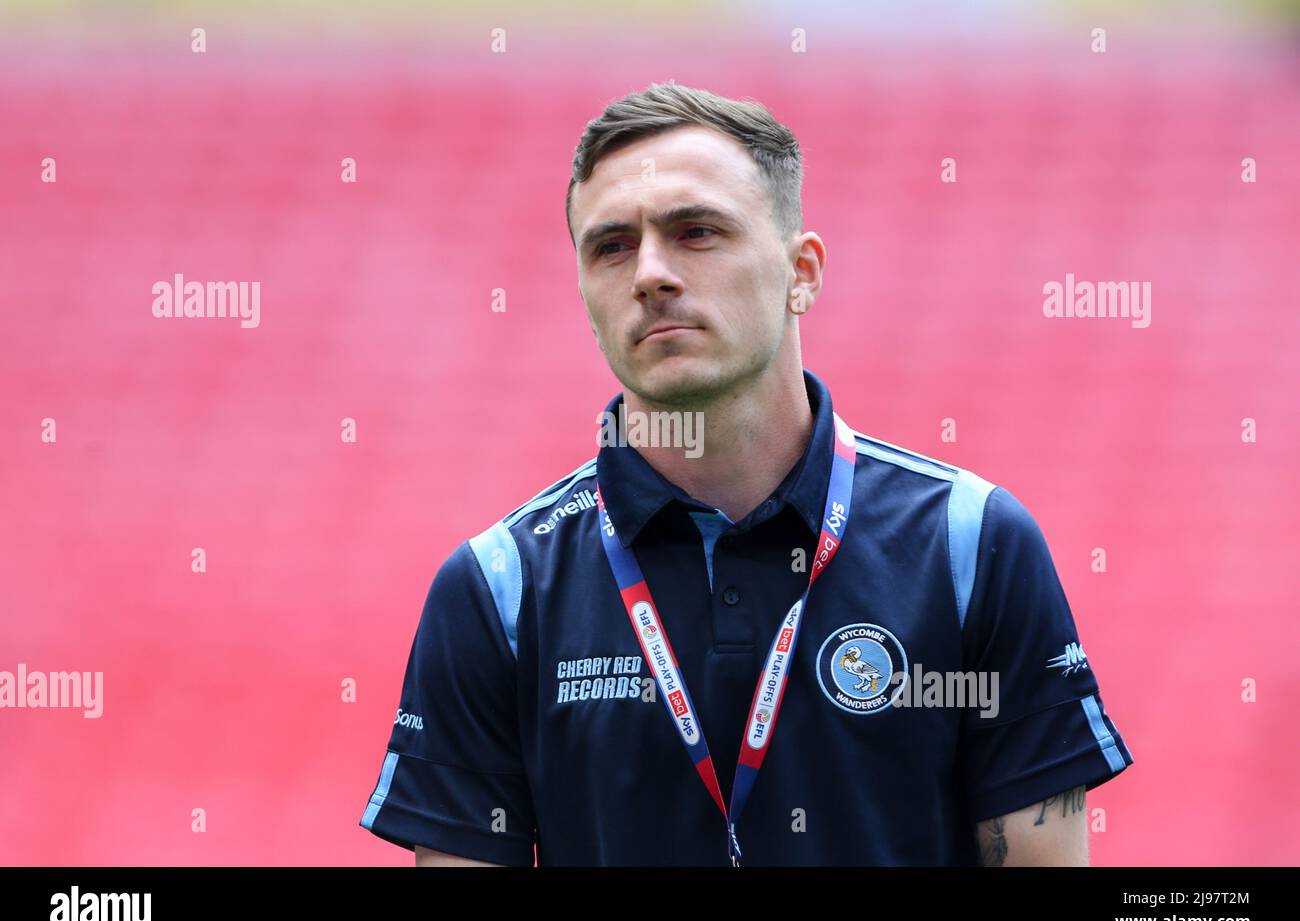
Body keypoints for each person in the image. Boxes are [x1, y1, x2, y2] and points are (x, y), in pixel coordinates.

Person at [359, 82, 1133, 866]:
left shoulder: (971, 544)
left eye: (696, 232)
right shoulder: (499, 587)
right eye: (611, 246)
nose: (649, 273)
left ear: (803, 271)